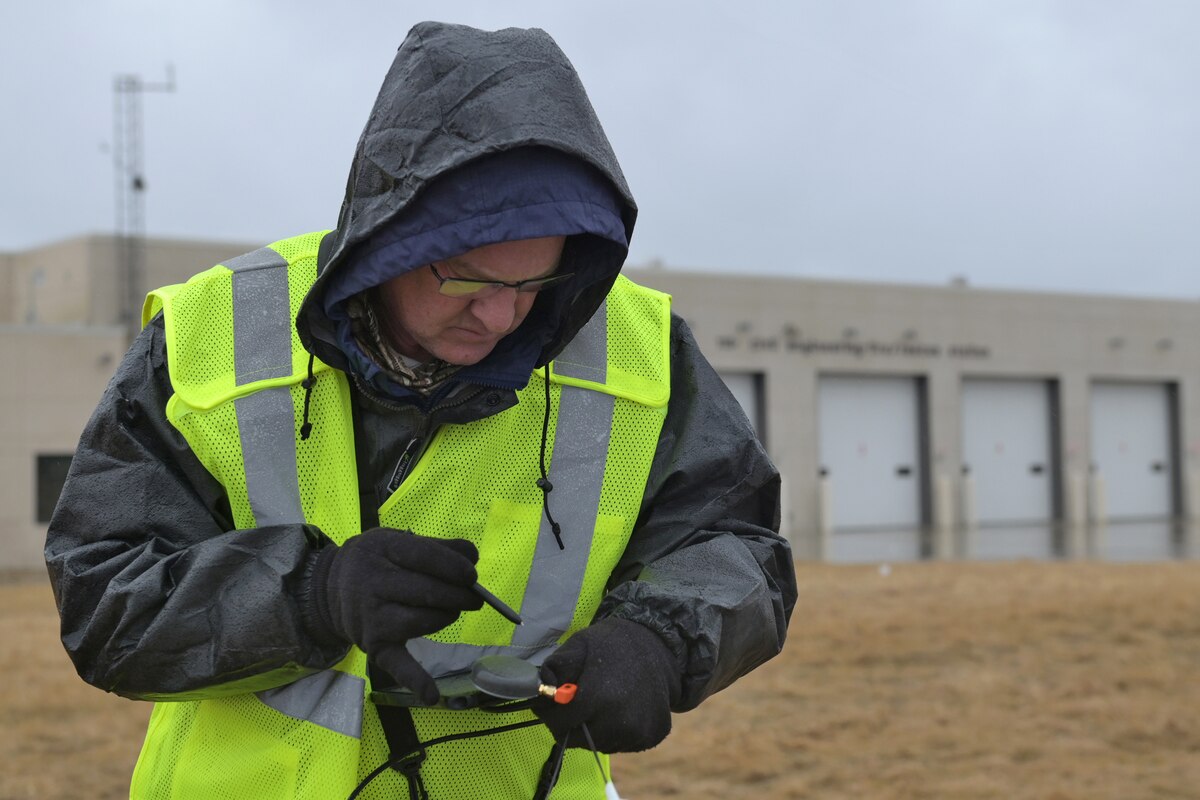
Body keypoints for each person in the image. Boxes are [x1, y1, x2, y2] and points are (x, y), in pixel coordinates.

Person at [45, 21, 797, 800]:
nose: (502, 317)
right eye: (469, 280)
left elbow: (735, 545)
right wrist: (310, 594)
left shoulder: (639, 348)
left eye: (534, 285)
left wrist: (660, 638)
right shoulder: (215, 333)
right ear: (388, 238)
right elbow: (106, 602)